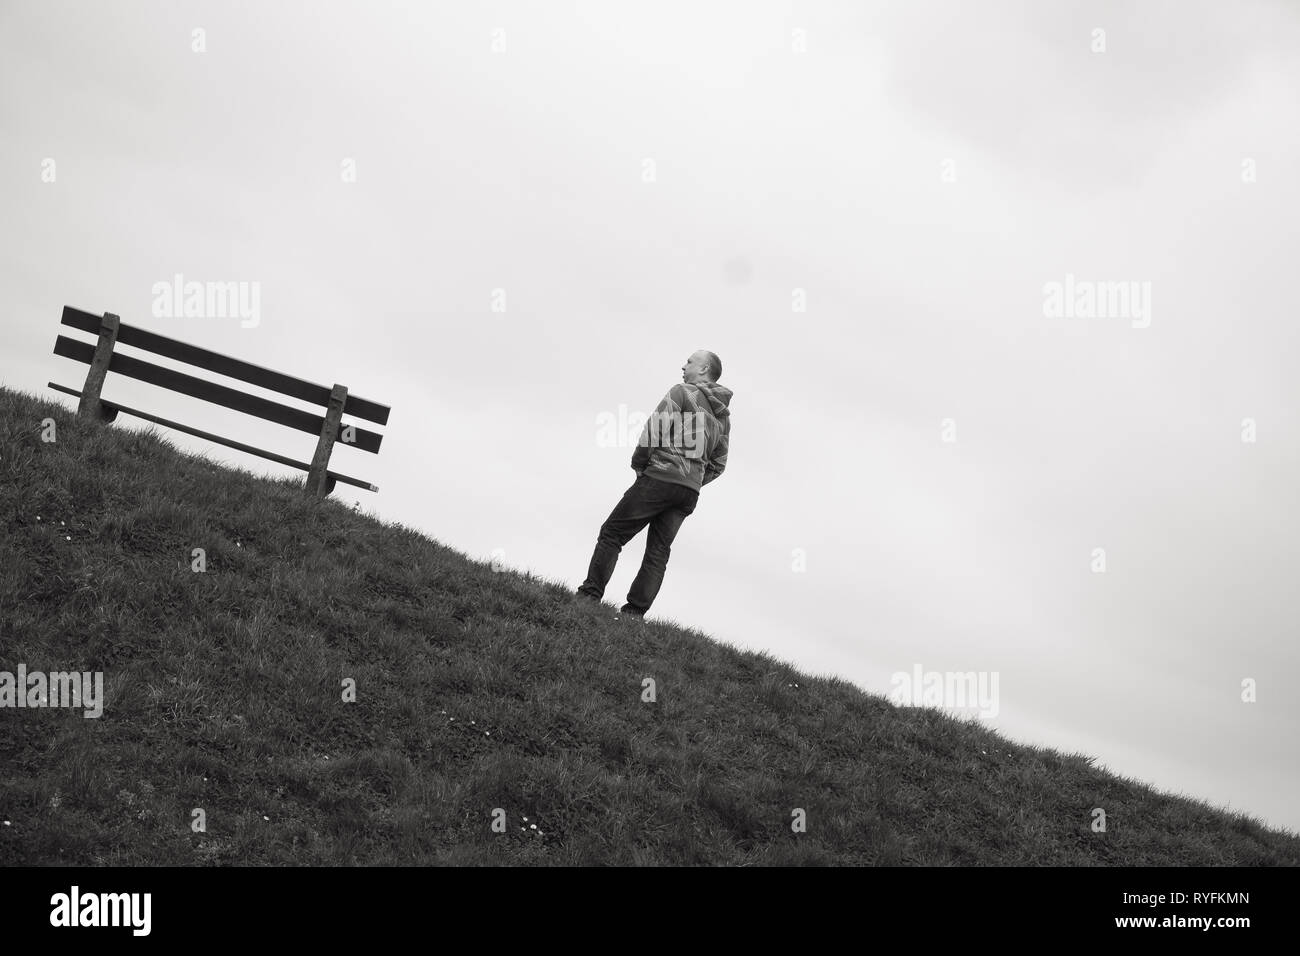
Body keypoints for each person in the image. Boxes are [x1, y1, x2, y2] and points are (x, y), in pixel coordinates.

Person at [577, 350, 733, 619]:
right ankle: (635, 613)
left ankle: (590, 594)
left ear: (704, 368)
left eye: (689, 362)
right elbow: (719, 464)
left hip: (660, 478)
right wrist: (693, 479)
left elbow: (654, 430)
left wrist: (640, 463)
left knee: (612, 533)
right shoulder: (723, 417)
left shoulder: (682, 392)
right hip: (688, 492)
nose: (683, 366)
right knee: (658, 552)